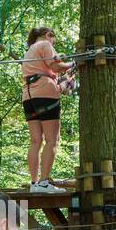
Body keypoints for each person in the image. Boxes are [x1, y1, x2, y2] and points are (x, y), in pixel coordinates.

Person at [21, 27, 73, 193]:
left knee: (36, 141)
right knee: (52, 140)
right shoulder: (44, 44)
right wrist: (74, 64)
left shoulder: (30, 52)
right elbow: (55, 67)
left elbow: (54, 72)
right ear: (46, 35)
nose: (53, 42)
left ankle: (35, 183)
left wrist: (67, 78)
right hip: (45, 92)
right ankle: (44, 183)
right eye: (53, 38)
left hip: (28, 96)